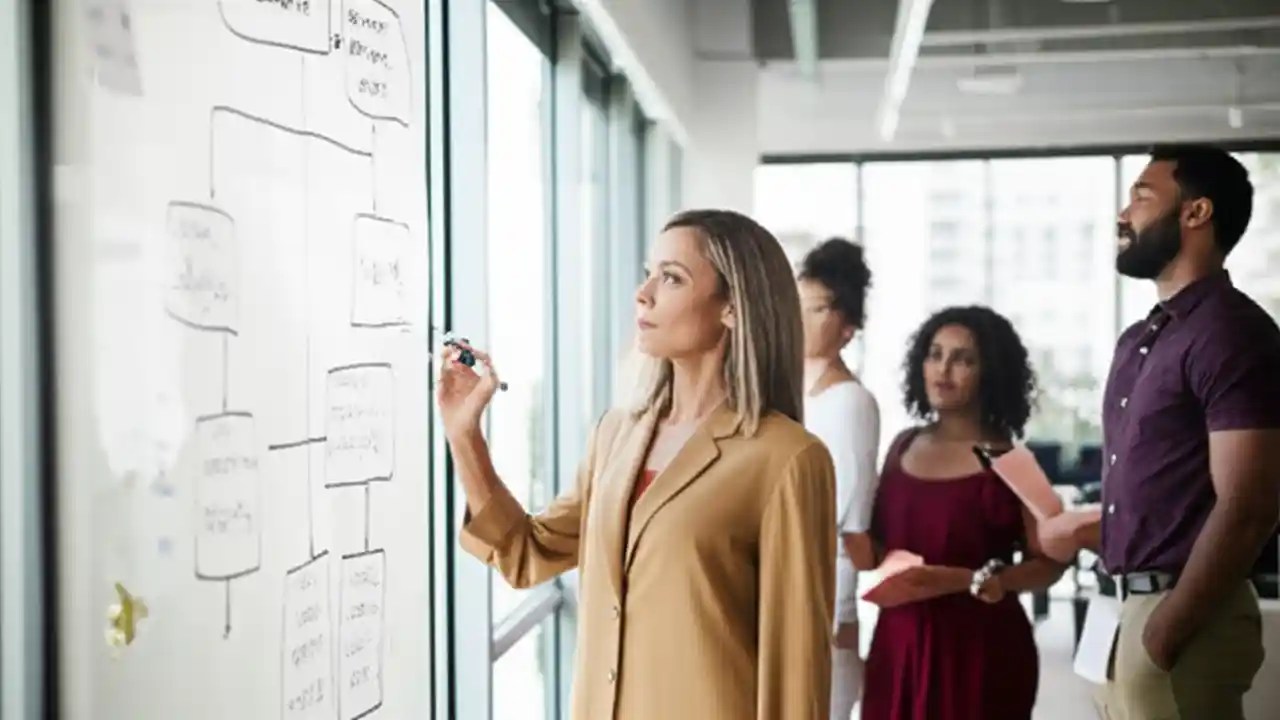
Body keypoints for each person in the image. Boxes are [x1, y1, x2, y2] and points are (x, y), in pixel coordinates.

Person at [438, 209, 838, 720]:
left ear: (732, 308)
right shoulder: (616, 435)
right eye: (649, 273)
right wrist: (464, 433)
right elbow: (527, 554)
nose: (643, 293)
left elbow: (796, 675)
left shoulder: (788, 459)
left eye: (671, 277)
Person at [1085, 144, 1280, 719]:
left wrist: (1166, 631)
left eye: (1142, 197)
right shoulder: (1141, 338)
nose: (1124, 214)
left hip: (1182, 615)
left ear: (1196, 213)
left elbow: (1251, 505)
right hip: (1120, 613)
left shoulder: (1232, 333)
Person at [856, 306, 1067, 720]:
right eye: (934, 354)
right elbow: (879, 547)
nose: (943, 369)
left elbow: (1053, 562)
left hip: (979, 648)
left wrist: (979, 580)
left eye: (963, 359)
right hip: (898, 643)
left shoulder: (1010, 460)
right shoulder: (901, 446)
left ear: (990, 373)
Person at [797, 238, 880, 719]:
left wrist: (835, 617)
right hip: (783, 604)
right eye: (798, 304)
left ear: (847, 327)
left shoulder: (850, 402)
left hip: (824, 616)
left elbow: (850, 529)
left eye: (818, 308)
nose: (802, 317)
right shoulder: (790, 395)